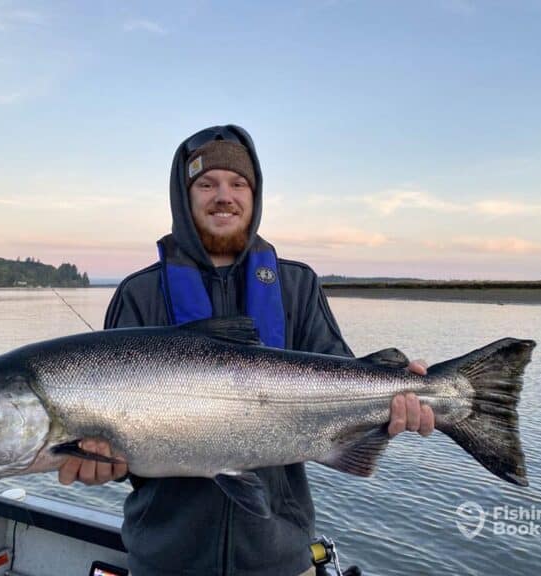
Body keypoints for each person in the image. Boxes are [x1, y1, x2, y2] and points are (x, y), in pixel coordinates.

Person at [58, 125, 434, 576]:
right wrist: (102, 464)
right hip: (166, 561)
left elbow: (349, 391)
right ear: (185, 196)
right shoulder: (140, 294)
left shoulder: (297, 285)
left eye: (239, 184)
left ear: (255, 197)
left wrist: (397, 404)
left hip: (281, 557)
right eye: (207, 183)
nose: (224, 195)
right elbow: (114, 442)